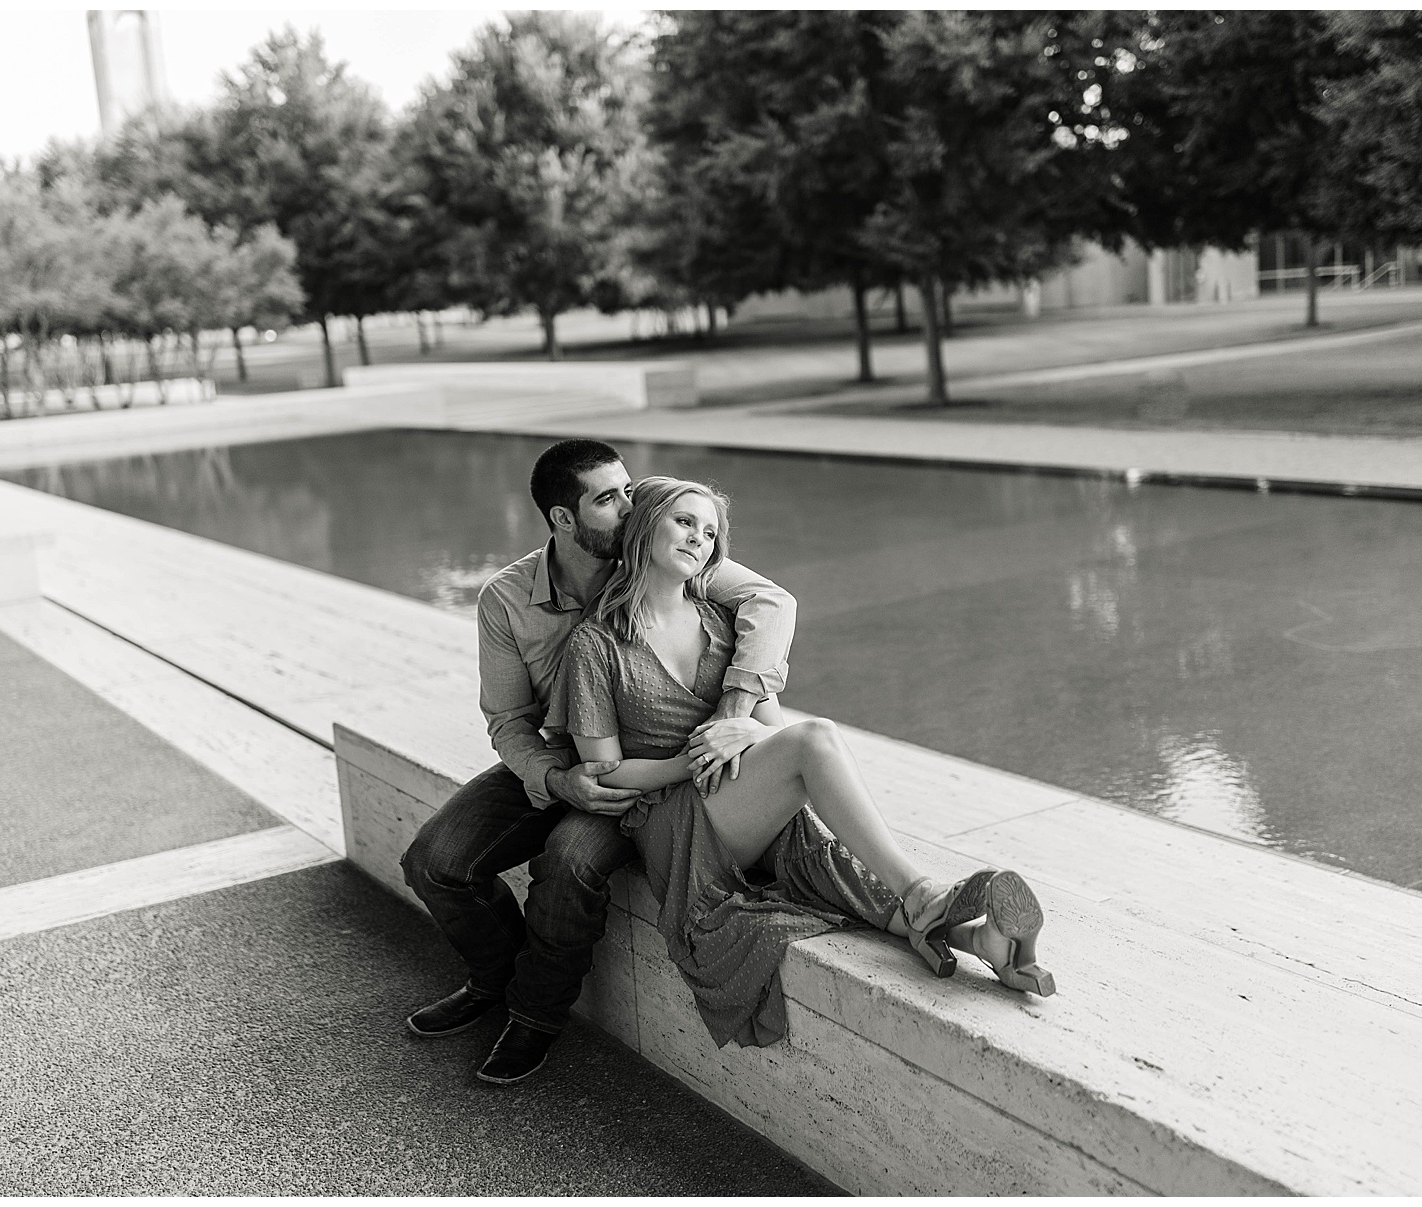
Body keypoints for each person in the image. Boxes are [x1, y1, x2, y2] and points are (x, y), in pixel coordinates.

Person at [552, 475, 1055, 1050]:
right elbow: (605, 770)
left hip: (740, 801)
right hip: (676, 818)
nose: (699, 539)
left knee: (830, 860)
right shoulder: (597, 645)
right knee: (817, 740)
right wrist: (690, 762)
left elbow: (769, 730)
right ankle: (920, 891)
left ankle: (979, 943)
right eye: (685, 522)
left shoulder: (720, 622)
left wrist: (741, 729)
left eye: (710, 531)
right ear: (644, 526)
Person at [401, 440, 798, 1085]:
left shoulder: (661, 552)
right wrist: (559, 780)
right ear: (563, 519)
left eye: (629, 487)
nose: (631, 504)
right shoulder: (506, 600)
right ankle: (493, 981)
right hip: (557, 763)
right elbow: (506, 722)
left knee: (569, 861)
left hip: (647, 770)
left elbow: (772, 603)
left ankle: (534, 1016)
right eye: (608, 498)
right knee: (436, 863)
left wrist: (734, 711)